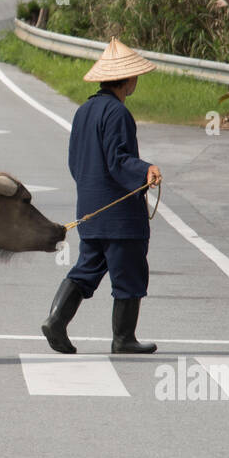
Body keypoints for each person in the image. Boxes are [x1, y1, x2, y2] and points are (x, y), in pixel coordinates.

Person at [42, 37, 162, 355]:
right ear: (127, 79)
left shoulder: (84, 111)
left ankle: (56, 320)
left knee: (87, 268)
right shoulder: (118, 114)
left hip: (90, 209)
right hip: (119, 215)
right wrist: (145, 169)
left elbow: (75, 161)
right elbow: (119, 161)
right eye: (135, 76)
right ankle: (124, 338)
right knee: (130, 274)